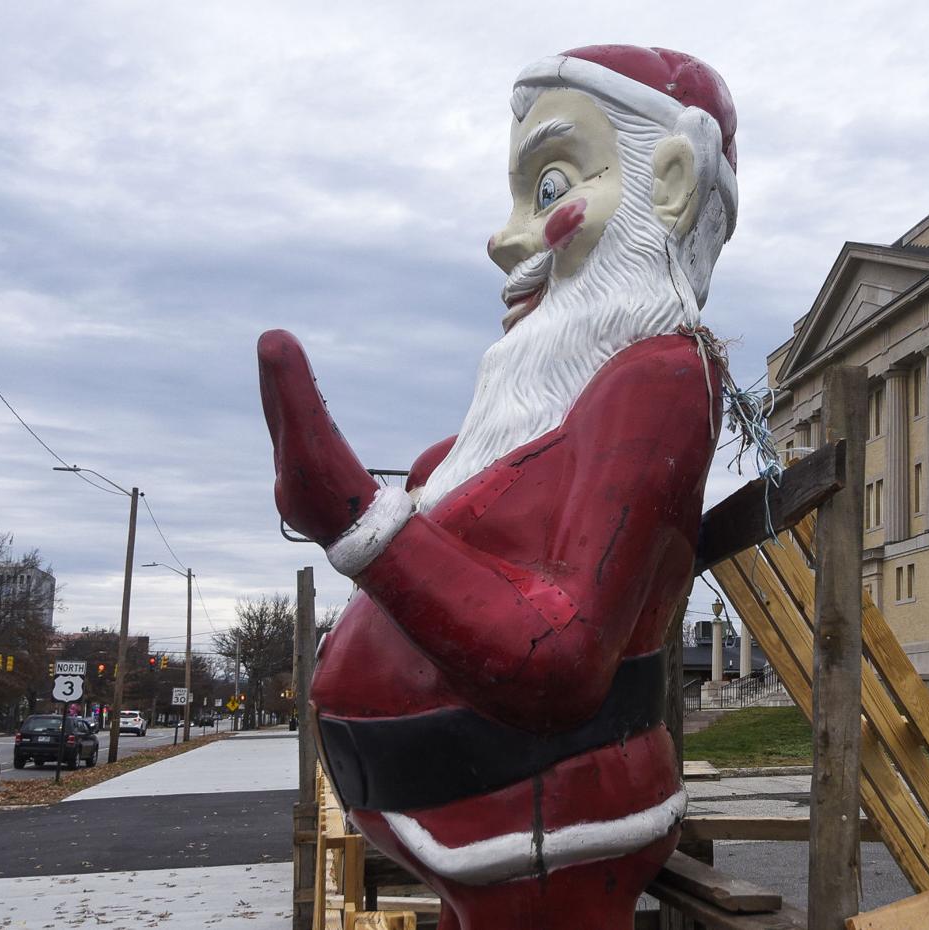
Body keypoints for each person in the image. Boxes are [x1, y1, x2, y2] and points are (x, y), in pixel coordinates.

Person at [258, 45, 738, 930]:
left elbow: (558, 660)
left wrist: (361, 522)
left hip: (546, 825)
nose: (503, 238)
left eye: (550, 188)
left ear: (667, 186)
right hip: (485, 833)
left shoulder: (659, 382)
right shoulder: (551, 410)